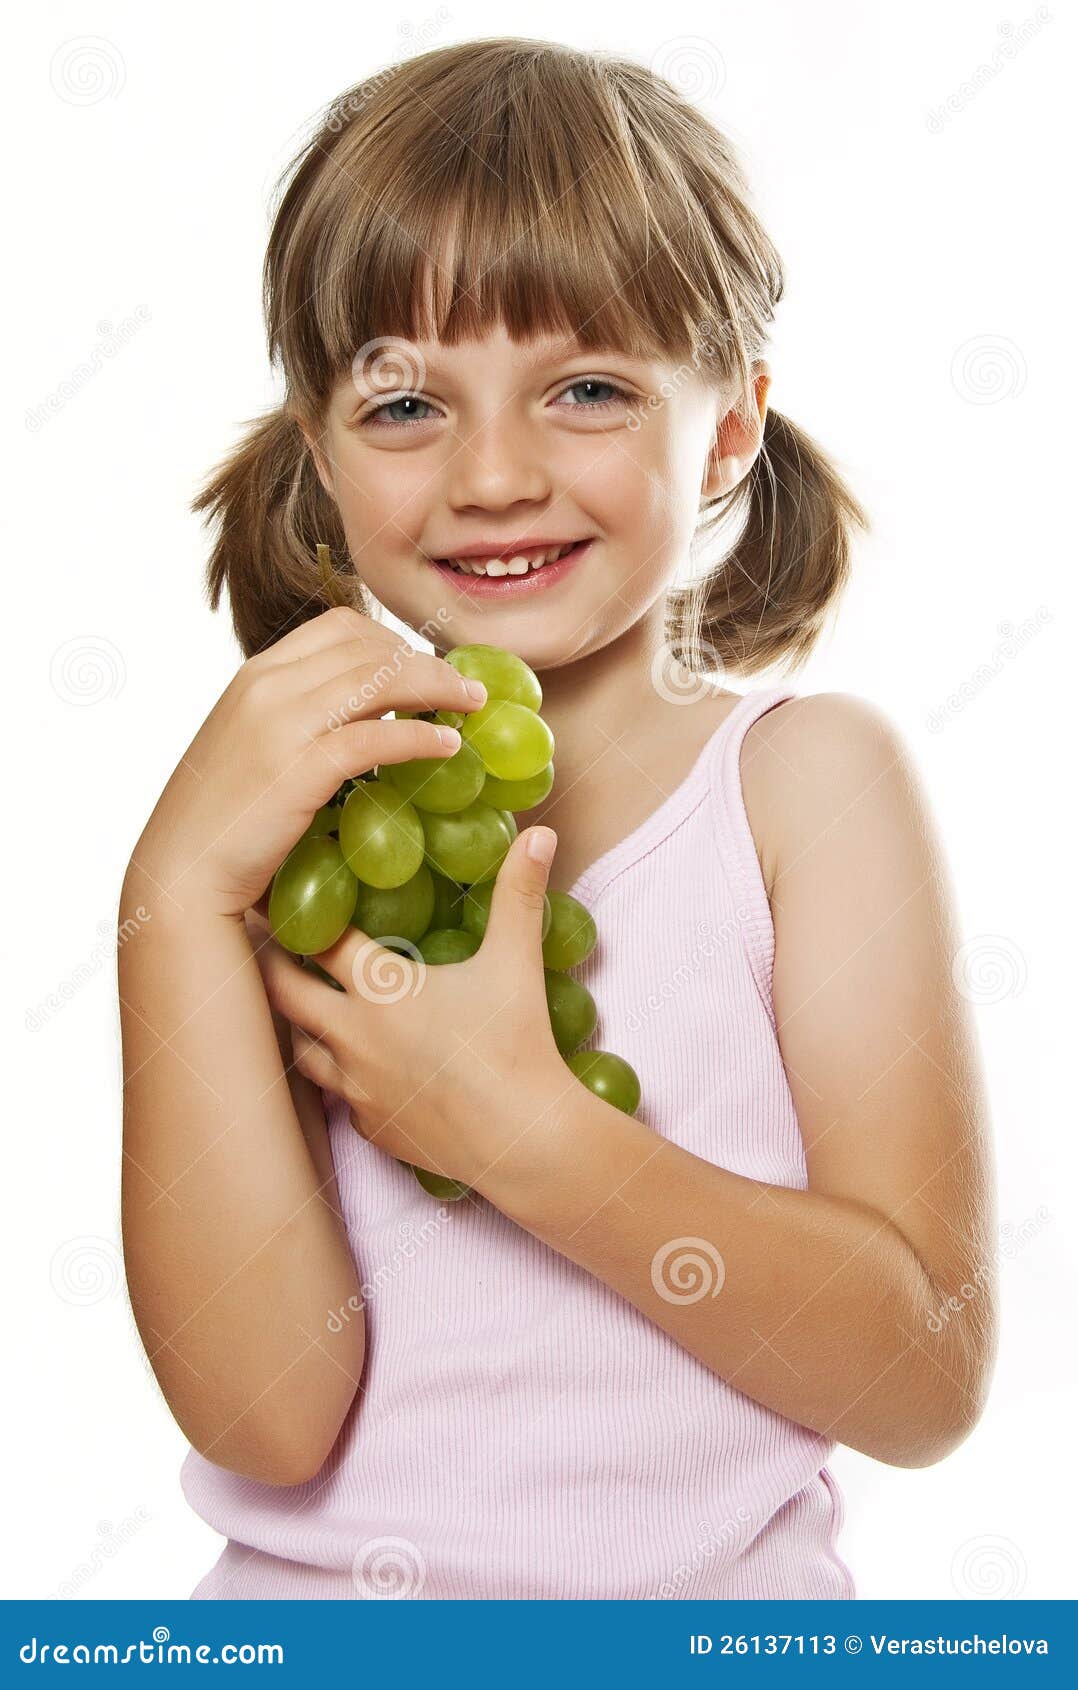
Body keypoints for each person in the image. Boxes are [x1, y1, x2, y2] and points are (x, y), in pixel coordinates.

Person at [118, 37, 998, 1600]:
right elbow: (267, 1419)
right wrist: (173, 899)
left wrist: (526, 1133)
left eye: (586, 387)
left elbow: (919, 1381)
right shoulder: (286, 839)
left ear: (727, 426)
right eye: (403, 405)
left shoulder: (806, 792)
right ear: (316, 450)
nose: (495, 472)